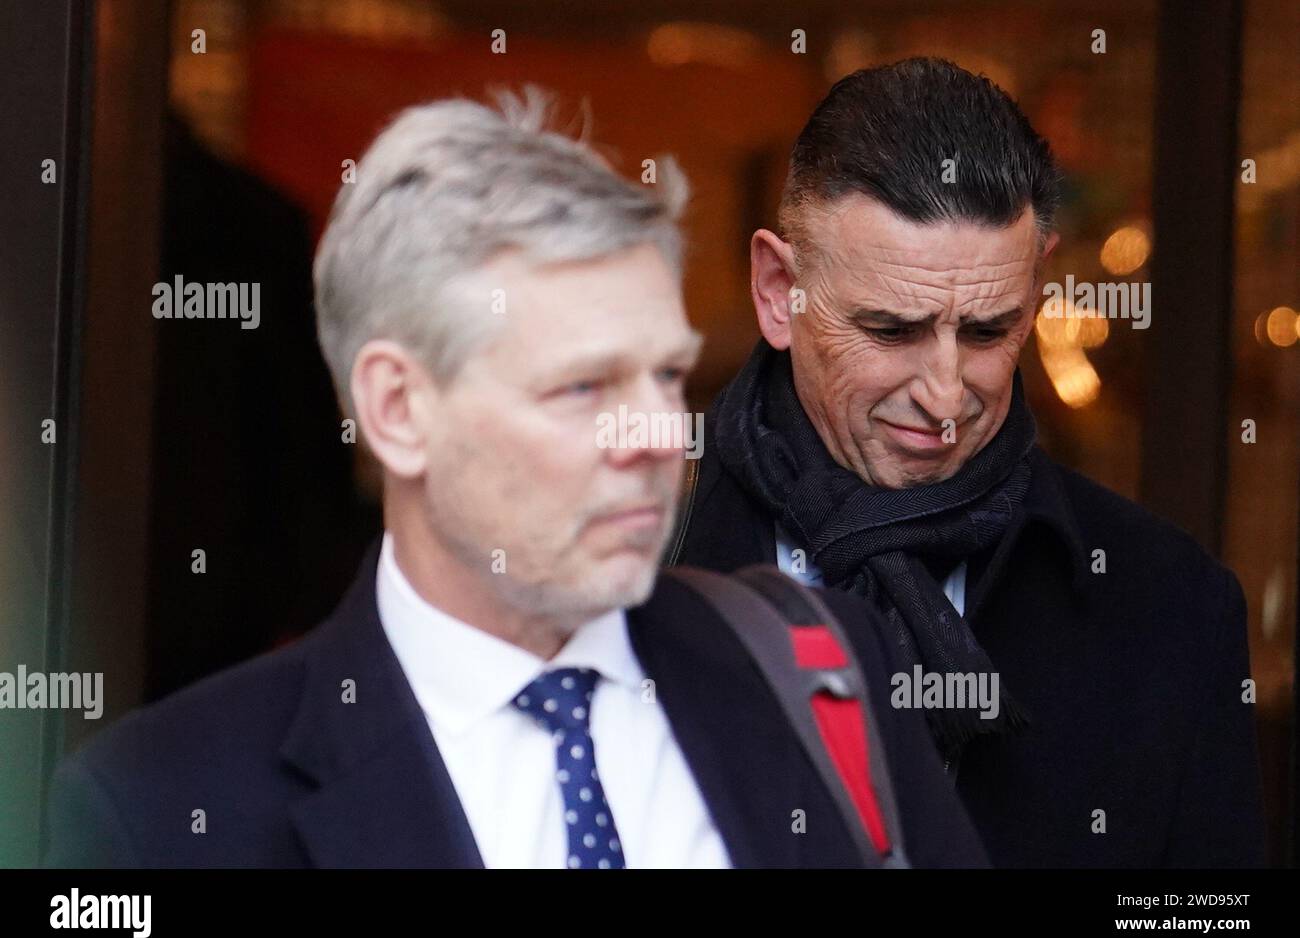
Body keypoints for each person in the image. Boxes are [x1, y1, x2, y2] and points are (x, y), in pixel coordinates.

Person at [42, 89, 985, 869]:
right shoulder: (156, 812)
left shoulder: (824, 676)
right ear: (398, 409)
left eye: (665, 374)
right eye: (580, 386)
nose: (655, 434)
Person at [669, 58, 1267, 867]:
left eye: (987, 332)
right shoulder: (617, 566)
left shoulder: (1171, 608)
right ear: (779, 291)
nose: (946, 398)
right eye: (891, 331)